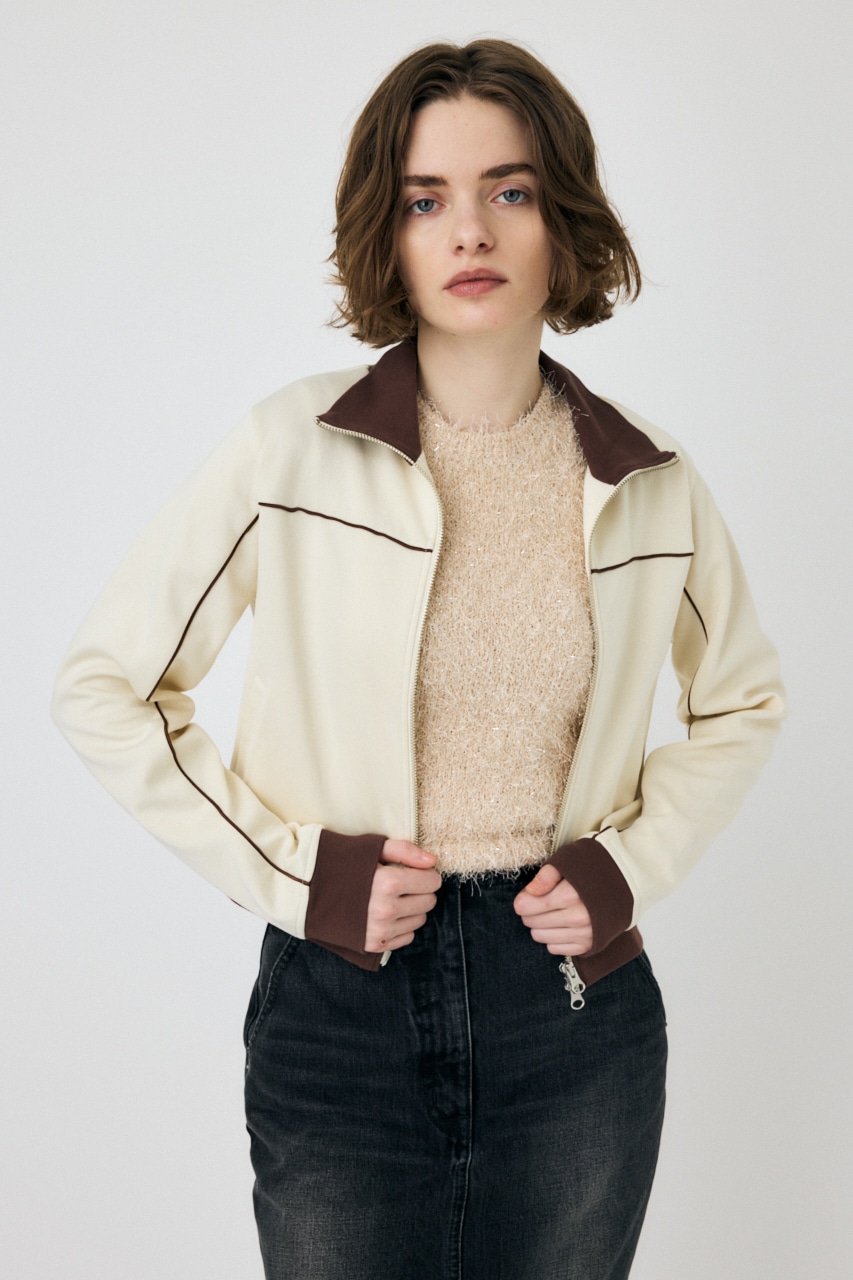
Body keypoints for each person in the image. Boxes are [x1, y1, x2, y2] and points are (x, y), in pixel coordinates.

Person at [52, 38, 786, 1280]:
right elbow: (106, 685)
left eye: (509, 190)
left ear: (562, 217)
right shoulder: (290, 450)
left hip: (572, 1013)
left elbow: (743, 702)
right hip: (341, 993)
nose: (470, 232)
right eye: (425, 200)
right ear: (386, 235)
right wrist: (297, 873)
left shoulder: (648, 477)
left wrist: (627, 865)